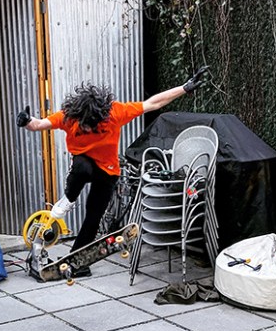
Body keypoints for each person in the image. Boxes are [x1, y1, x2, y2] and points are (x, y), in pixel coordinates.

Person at [16, 65, 209, 274]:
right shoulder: (69, 116)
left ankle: (78, 260)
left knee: (94, 215)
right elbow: (39, 124)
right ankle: (67, 200)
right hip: (84, 166)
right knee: (81, 166)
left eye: (94, 127)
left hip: (108, 172)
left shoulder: (115, 112)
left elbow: (152, 103)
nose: (89, 130)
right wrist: (27, 121)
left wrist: (185, 88)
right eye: (85, 127)